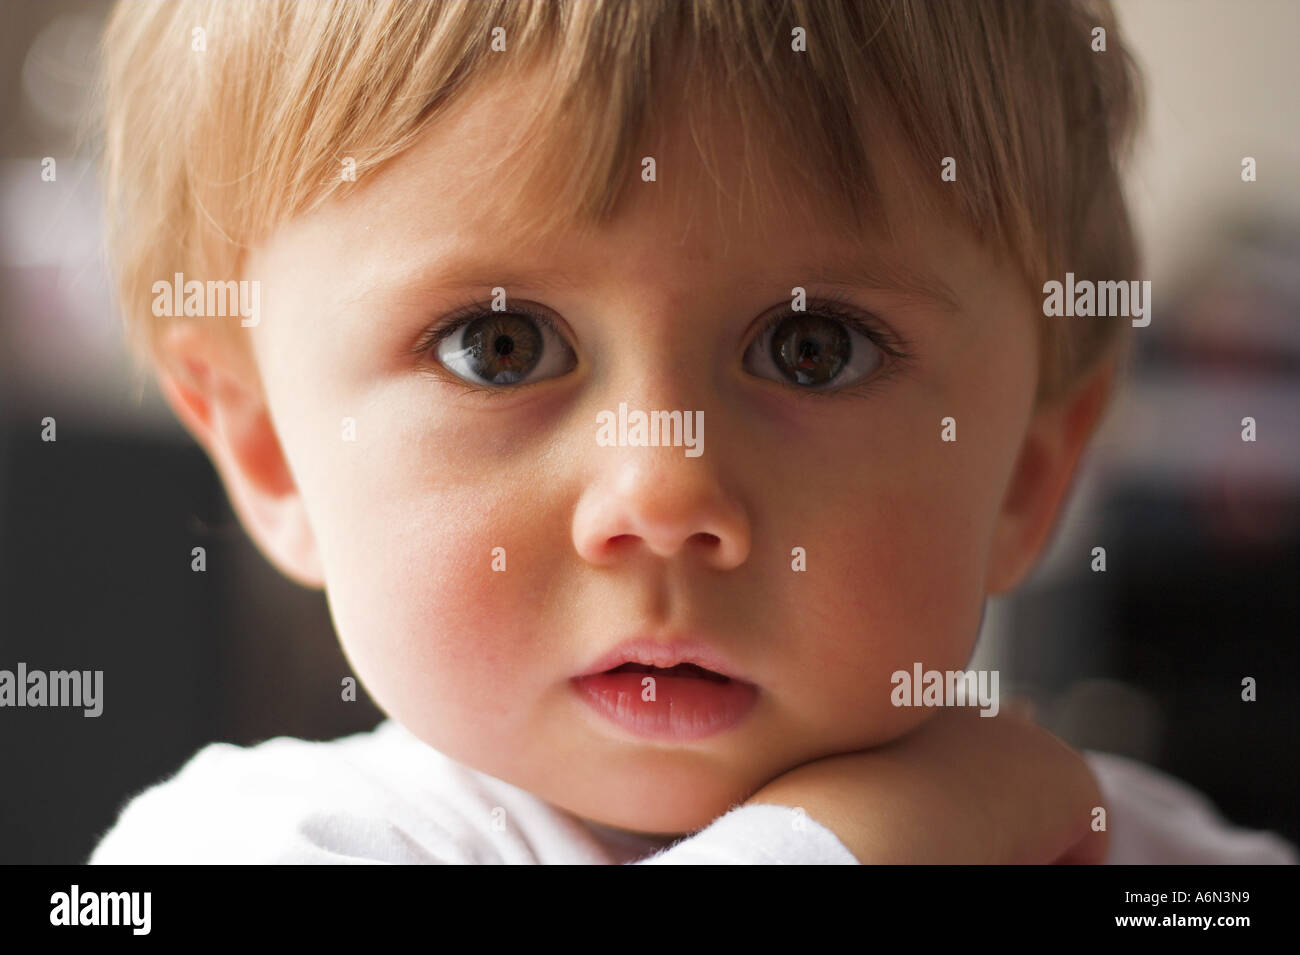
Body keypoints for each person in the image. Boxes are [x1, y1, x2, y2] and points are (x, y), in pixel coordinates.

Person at [89, 0, 1295, 864]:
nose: (663, 493)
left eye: (812, 348)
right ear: (269, 450)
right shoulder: (254, 841)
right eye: (498, 346)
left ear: (1030, 475)